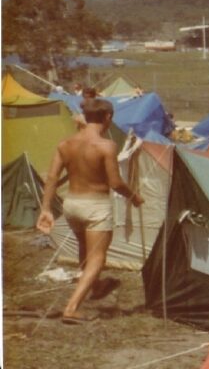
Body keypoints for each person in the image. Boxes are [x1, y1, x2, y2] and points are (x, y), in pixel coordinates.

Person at [36, 99, 142, 322]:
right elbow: (115, 182)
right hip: (96, 206)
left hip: (72, 204)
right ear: (108, 117)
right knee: (97, 258)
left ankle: (96, 286)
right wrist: (134, 197)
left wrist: (45, 209)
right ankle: (71, 308)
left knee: (85, 249)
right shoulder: (106, 146)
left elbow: (52, 177)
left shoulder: (65, 144)